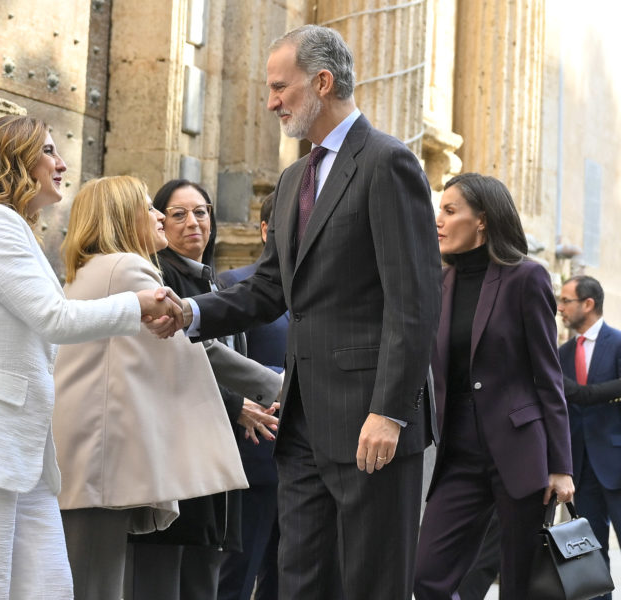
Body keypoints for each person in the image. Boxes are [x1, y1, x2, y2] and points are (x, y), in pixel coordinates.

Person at [153, 25, 443, 599]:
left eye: (280, 87)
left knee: (370, 585)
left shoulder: (388, 163)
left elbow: (414, 303)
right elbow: (266, 289)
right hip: (303, 424)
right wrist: (190, 312)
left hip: (371, 425)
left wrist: (389, 411)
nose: (270, 102)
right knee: (299, 582)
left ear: (323, 81)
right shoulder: (292, 181)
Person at [0, 115, 182, 600]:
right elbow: (54, 319)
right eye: (48, 151)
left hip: (15, 450)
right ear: (14, 160)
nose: (62, 163)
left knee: (47, 588)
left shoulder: (12, 227)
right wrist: (136, 305)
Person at [53, 175, 249, 600]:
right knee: (94, 587)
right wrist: (278, 387)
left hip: (86, 456)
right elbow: (199, 348)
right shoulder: (127, 267)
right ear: (124, 217)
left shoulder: (94, 267)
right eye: (151, 207)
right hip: (99, 460)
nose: (160, 216)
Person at [413, 172, 574, 599]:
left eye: (449, 211)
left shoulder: (526, 278)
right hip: (458, 452)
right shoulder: (440, 284)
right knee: (426, 575)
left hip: (521, 450)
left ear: (482, 220)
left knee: (519, 582)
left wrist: (561, 465)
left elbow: (548, 375)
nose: (438, 221)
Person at [126, 179, 281, 600]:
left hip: (214, 452)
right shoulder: (160, 275)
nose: (193, 222)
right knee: (171, 578)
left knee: (205, 576)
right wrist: (245, 400)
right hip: (178, 453)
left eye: (201, 211)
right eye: (178, 214)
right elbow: (191, 353)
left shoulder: (208, 280)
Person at [215, 193, 287, 600]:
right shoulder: (231, 285)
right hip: (253, 456)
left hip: (309, 461)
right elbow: (224, 365)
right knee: (237, 577)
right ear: (264, 231)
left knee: (290, 579)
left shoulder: (324, 292)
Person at [558, 274, 621, 599]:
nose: (560, 309)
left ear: (588, 303)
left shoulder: (619, 342)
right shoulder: (563, 353)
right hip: (580, 469)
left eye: (565, 301)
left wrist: (584, 393)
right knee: (590, 556)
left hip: (616, 463)